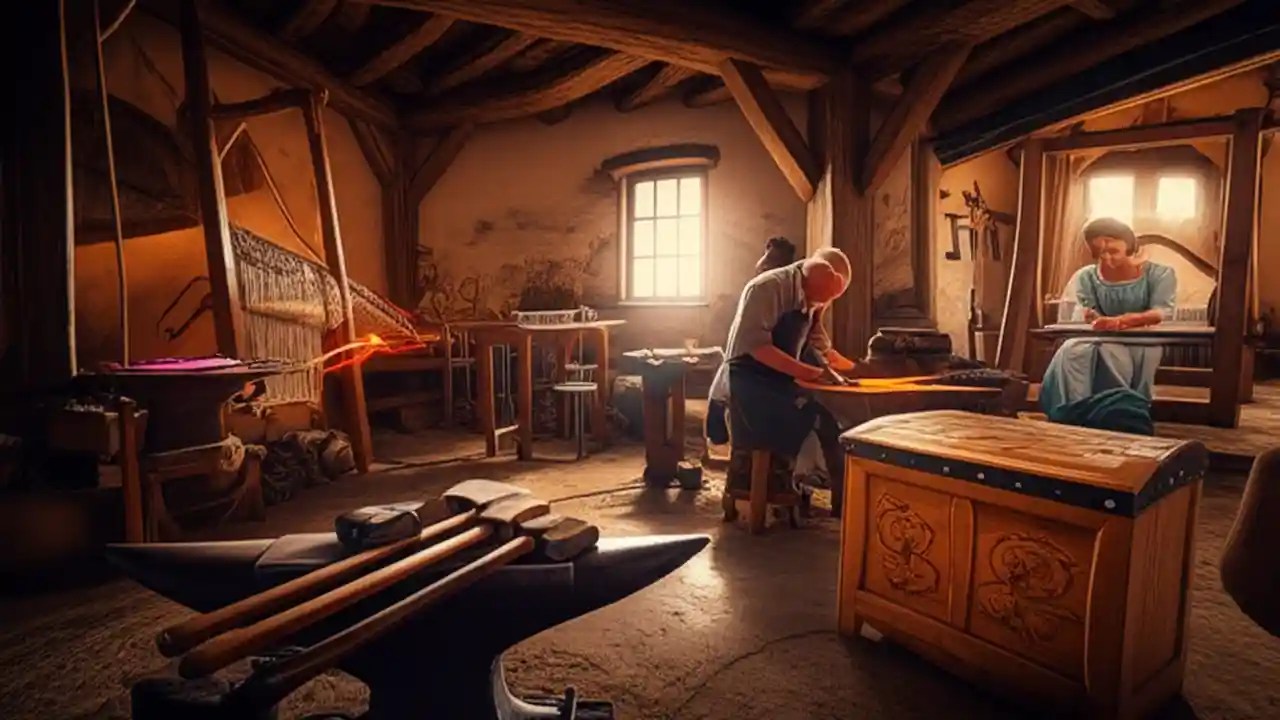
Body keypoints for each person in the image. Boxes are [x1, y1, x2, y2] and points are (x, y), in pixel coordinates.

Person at [709, 250, 853, 516]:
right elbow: (757, 346)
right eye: (816, 299)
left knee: (829, 416)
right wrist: (808, 373)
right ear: (806, 281)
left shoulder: (814, 289)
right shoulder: (767, 289)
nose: (816, 306)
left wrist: (843, 370)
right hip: (748, 377)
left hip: (779, 376)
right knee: (794, 416)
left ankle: (815, 490)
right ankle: (773, 483)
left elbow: (815, 339)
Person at [1039, 217, 1177, 434]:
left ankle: (1116, 415)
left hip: (1141, 335)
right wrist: (1090, 315)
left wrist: (1120, 322)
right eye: (1100, 252)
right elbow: (1089, 310)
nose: (1106, 257)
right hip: (1100, 333)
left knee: (1110, 354)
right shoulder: (1087, 276)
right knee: (1071, 351)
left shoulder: (1160, 274)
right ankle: (1072, 413)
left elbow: (1161, 312)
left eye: (1112, 250)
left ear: (1128, 245)